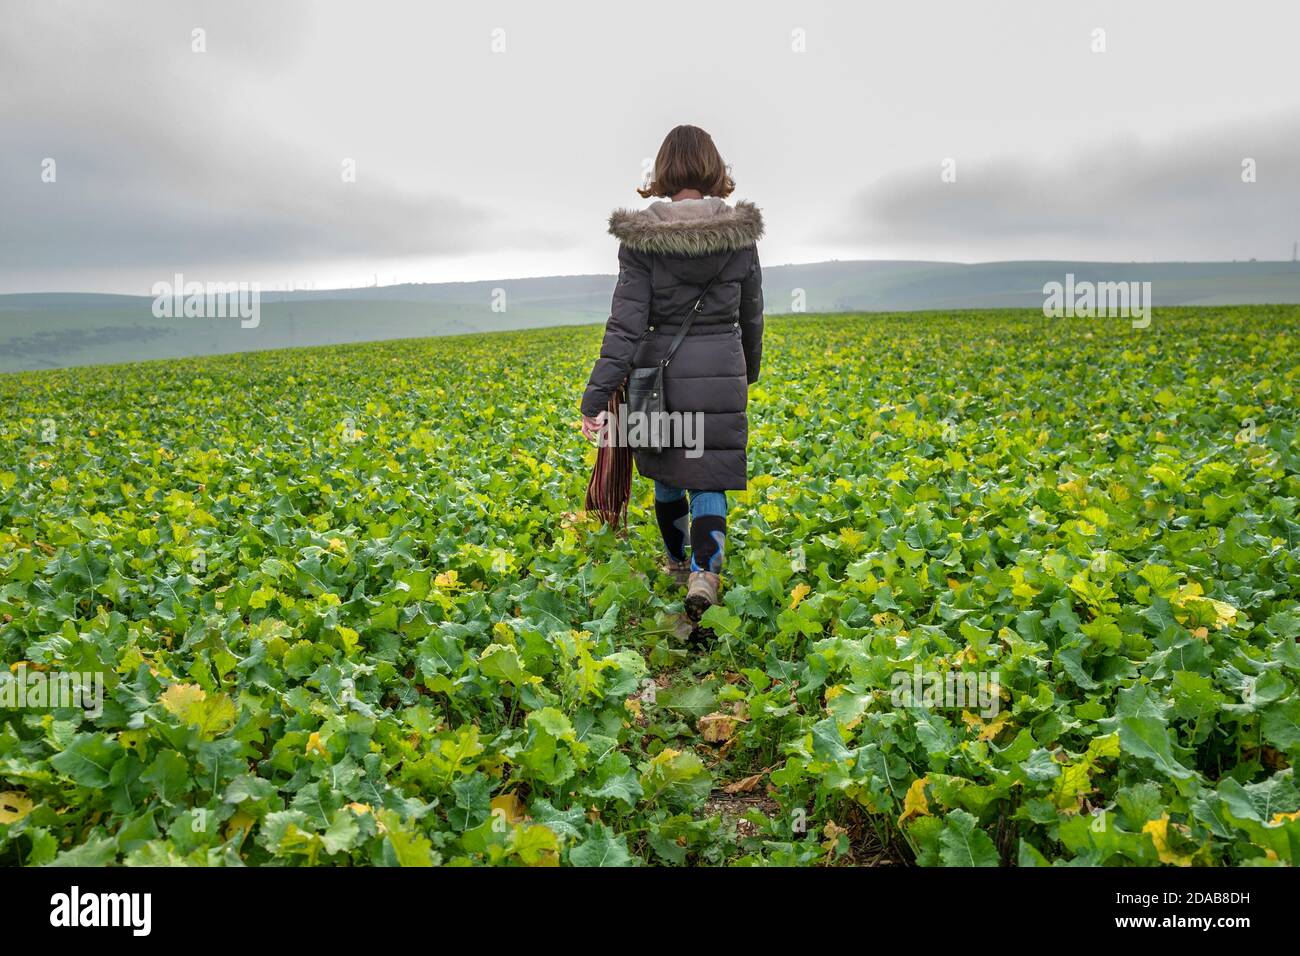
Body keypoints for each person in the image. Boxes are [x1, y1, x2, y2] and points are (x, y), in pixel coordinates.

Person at [581, 125, 764, 621]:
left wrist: (595, 398)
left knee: (665, 473)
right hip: (722, 366)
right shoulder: (740, 235)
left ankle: (679, 562)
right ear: (713, 170)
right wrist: (746, 370)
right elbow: (752, 313)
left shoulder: (641, 240)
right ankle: (707, 571)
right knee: (709, 480)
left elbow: (625, 325)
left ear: (661, 171)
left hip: (657, 376)